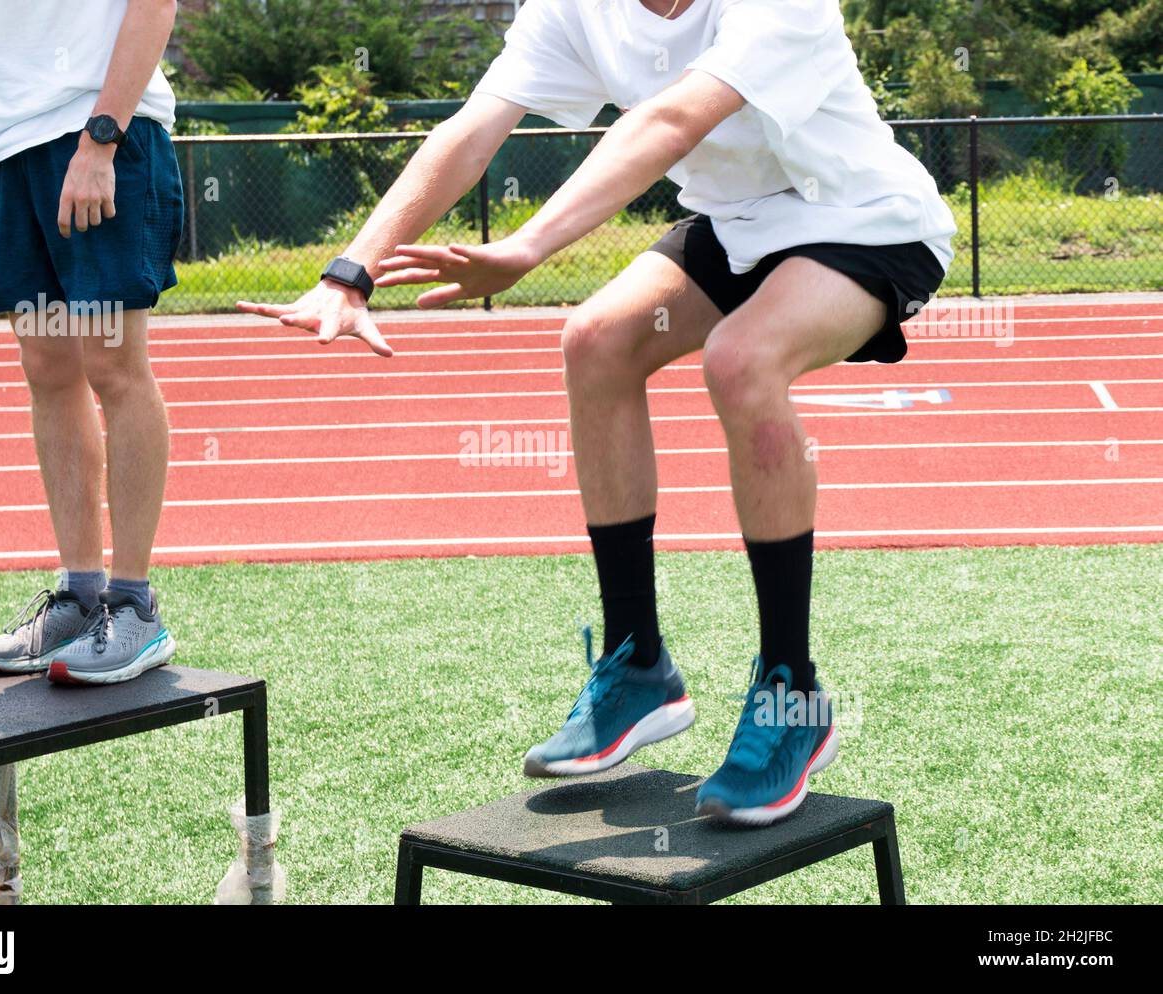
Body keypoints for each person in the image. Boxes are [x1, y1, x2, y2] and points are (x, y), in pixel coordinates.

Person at [240, 0, 955, 824]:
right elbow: (475, 127)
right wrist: (349, 269)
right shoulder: (575, 6)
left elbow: (673, 119)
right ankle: (639, 664)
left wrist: (525, 246)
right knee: (595, 341)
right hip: (742, 223)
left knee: (741, 360)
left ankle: (791, 691)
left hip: (865, 217)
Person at [0, 0, 184, 685]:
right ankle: (81, 593)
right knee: (48, 367)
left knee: (112, 365)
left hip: (99, 132)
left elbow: (155, 4)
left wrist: (101, 139)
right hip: (8, 150)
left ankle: (134, 605)